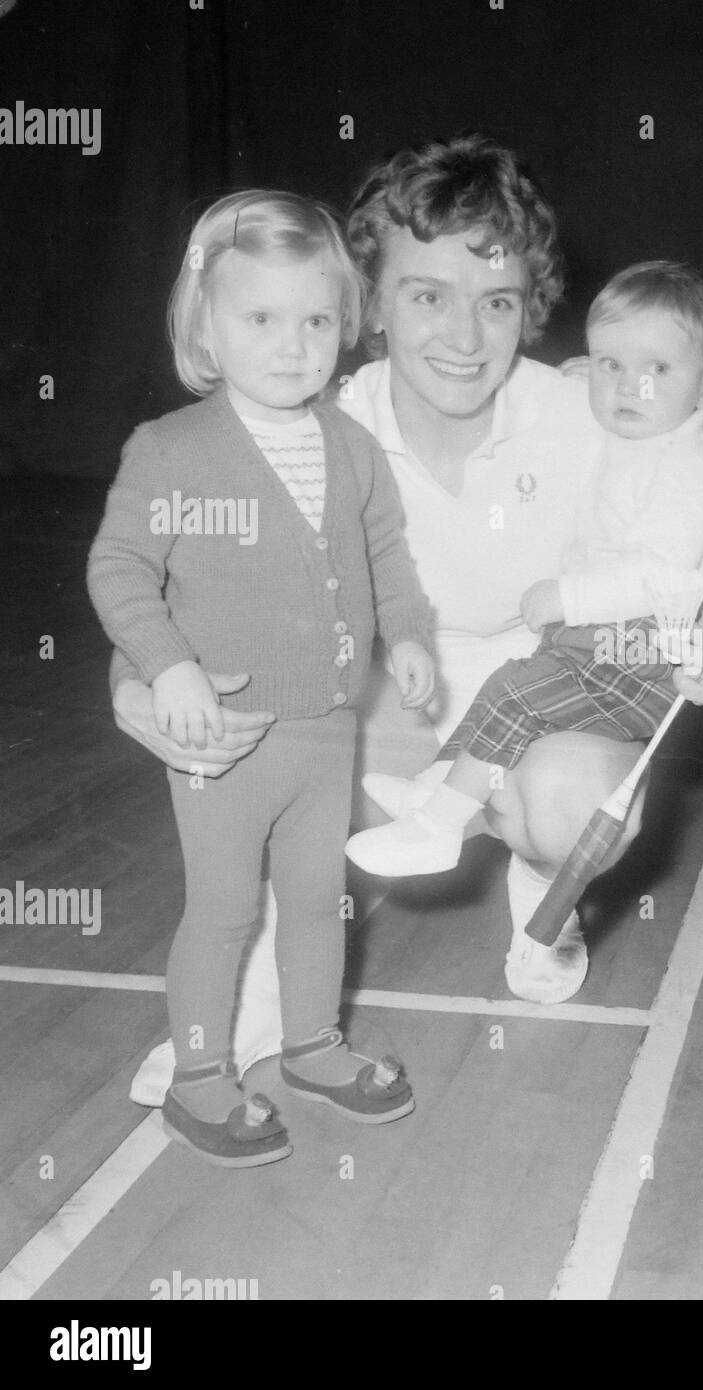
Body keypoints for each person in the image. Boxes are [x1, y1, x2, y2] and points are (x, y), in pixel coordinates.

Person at [110, 137, 703, 1104]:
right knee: (267, 763)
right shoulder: (311, 432)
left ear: (527, 308)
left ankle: (546, 884)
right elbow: (171, 577)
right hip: (381, 706)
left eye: (495, 301)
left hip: (545, 699)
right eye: (426, 296)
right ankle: (249, 1008)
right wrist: (137, 682)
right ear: (368, 305)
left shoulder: (596, 417)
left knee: (575, 810)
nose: (465, 335)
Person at [87, 191, 437, 1163]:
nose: (293, 345)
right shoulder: (170, 449)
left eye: (316, 320)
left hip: (329, 730)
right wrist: (171, 670)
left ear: (346, 323)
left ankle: (313, 1044)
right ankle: (200, 1076)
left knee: (319, 898)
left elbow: (383, 556)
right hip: (225, 738)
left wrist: (404, 632)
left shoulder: (351, 446)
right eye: (261, 319)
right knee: (225, 908)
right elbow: (118, 571)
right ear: (205, 322)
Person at [344, 261, 703, 881]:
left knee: (515, 696)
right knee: (510, 689)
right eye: (612, 364)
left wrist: (569, 596)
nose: (630, 387)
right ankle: (437, 791)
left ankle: (445, 826)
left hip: (635, 654)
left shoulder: (690, 465)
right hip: (581, 644)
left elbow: (662, 576)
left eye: (657, 369)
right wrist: (599, 374)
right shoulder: (629, 425)